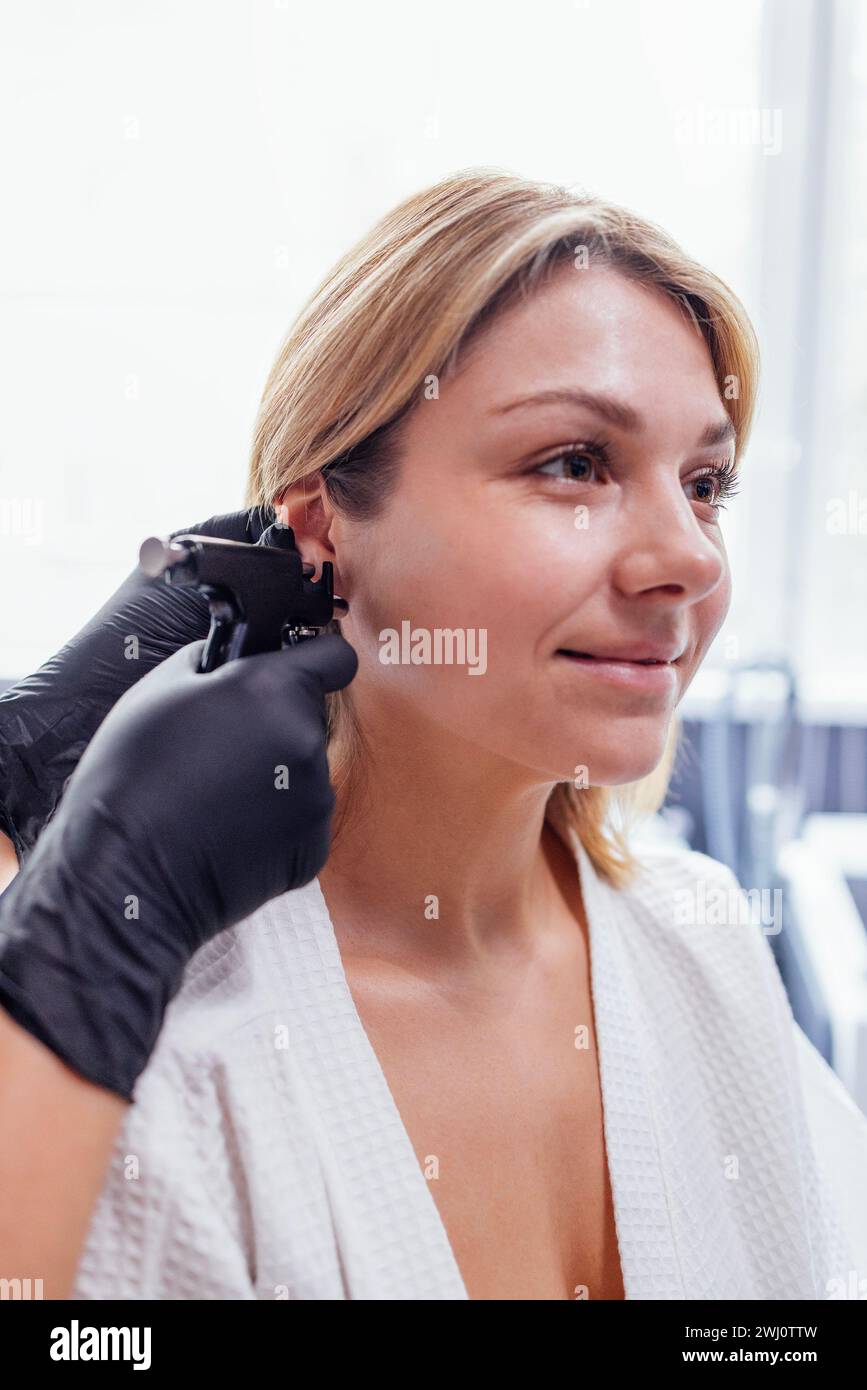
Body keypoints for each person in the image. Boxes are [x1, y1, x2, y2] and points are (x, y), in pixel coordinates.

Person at [2, 166, 867, 1301]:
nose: (693, 559)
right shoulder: (164, 1050)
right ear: (321, 534)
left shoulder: (703, 946)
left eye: (707, 482)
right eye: (573, 464)